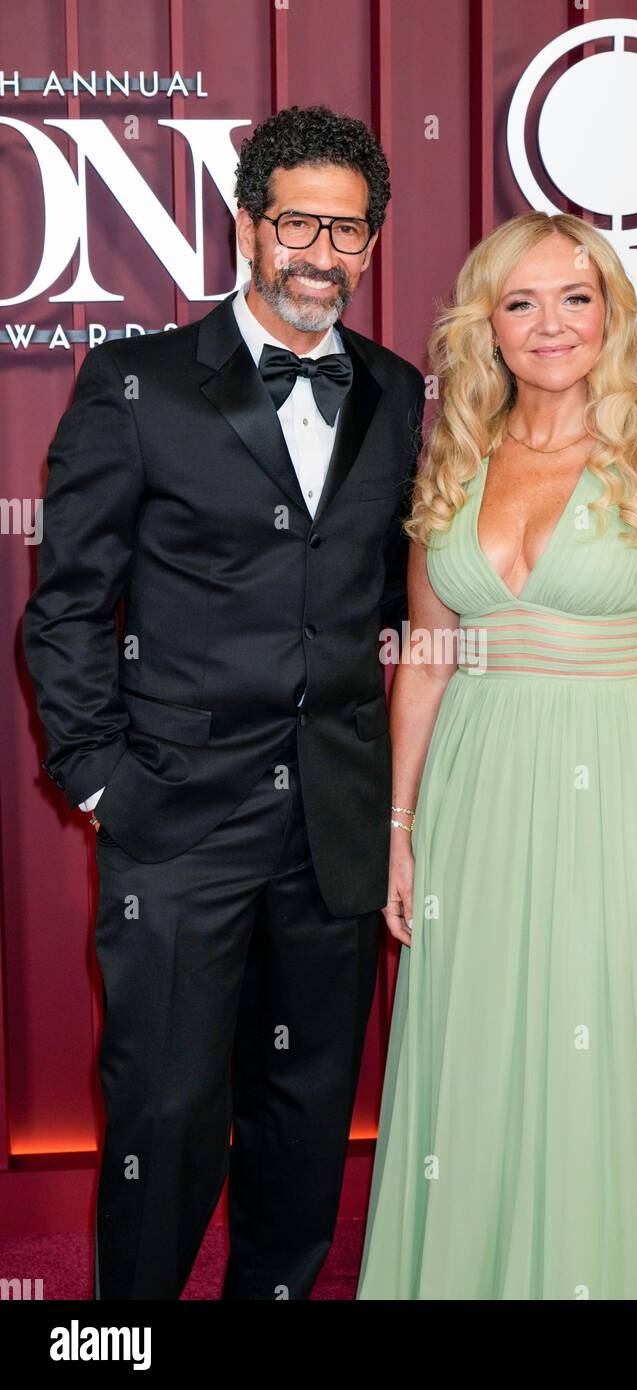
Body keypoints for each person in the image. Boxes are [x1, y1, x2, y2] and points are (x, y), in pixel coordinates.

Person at [356, 211, 637, 1300]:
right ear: (487, 326)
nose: (548, 324)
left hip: (615, 790)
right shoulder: (453, 458)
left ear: (607, 313)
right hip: (472, 790)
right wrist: (398, 831)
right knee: (484, 1054)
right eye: (520, 302)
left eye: (573, 297)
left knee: (612, 1051)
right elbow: (423, 658)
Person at [22, 104, 425, 1301]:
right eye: (296, 220)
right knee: (163, 1103)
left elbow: (398, 592)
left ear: (371, 244)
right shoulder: (137, 381)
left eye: (346, 230)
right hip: (178, 818)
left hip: (335, 821)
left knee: (304, 1114)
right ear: (248, 227)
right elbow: (66, 601)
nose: (320, 251)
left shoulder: (397, 394)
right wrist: (101, 777)